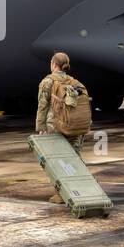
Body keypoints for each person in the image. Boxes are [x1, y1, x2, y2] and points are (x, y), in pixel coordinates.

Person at [36, 52, 90, 204]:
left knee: (58, 161)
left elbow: (42, 106)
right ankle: (81, 189)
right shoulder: (75, 82)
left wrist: (40, 128)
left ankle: (61, 194)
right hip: (73, 126)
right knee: (75, 158)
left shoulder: (47, 82)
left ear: (53, 64)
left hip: (56, 128)